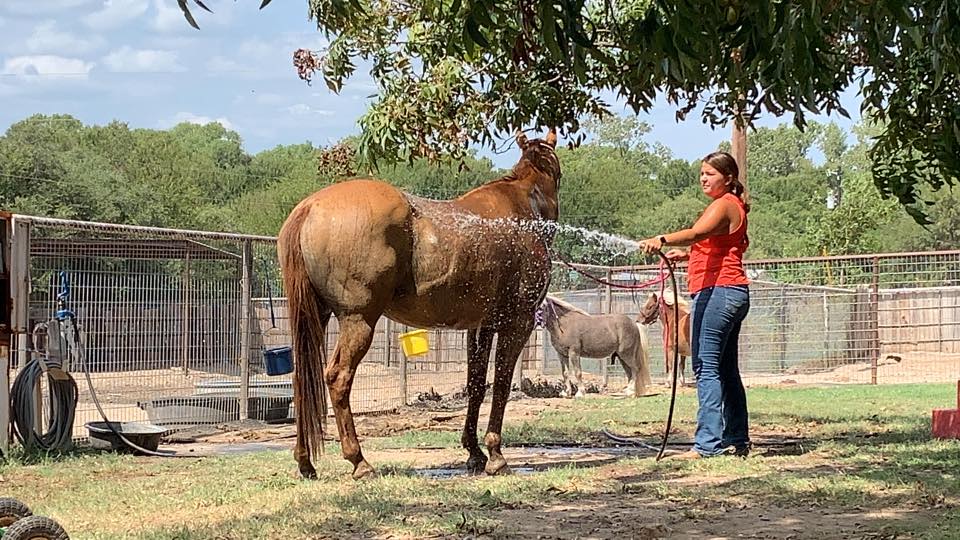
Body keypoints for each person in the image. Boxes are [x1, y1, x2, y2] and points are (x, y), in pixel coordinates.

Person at [639, 151, 751, 459]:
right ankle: (736, 439)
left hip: (719, 292)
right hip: (731, 291)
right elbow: (719, 244)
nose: (704, 178)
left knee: (706, 367)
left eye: (710, 174)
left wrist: (661, 240)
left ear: (728, 178)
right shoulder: (731, 205)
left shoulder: (723, 205)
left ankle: (706, 445)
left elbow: (698, 233)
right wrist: (688, 256)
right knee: (726, 368)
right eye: (702, 173)